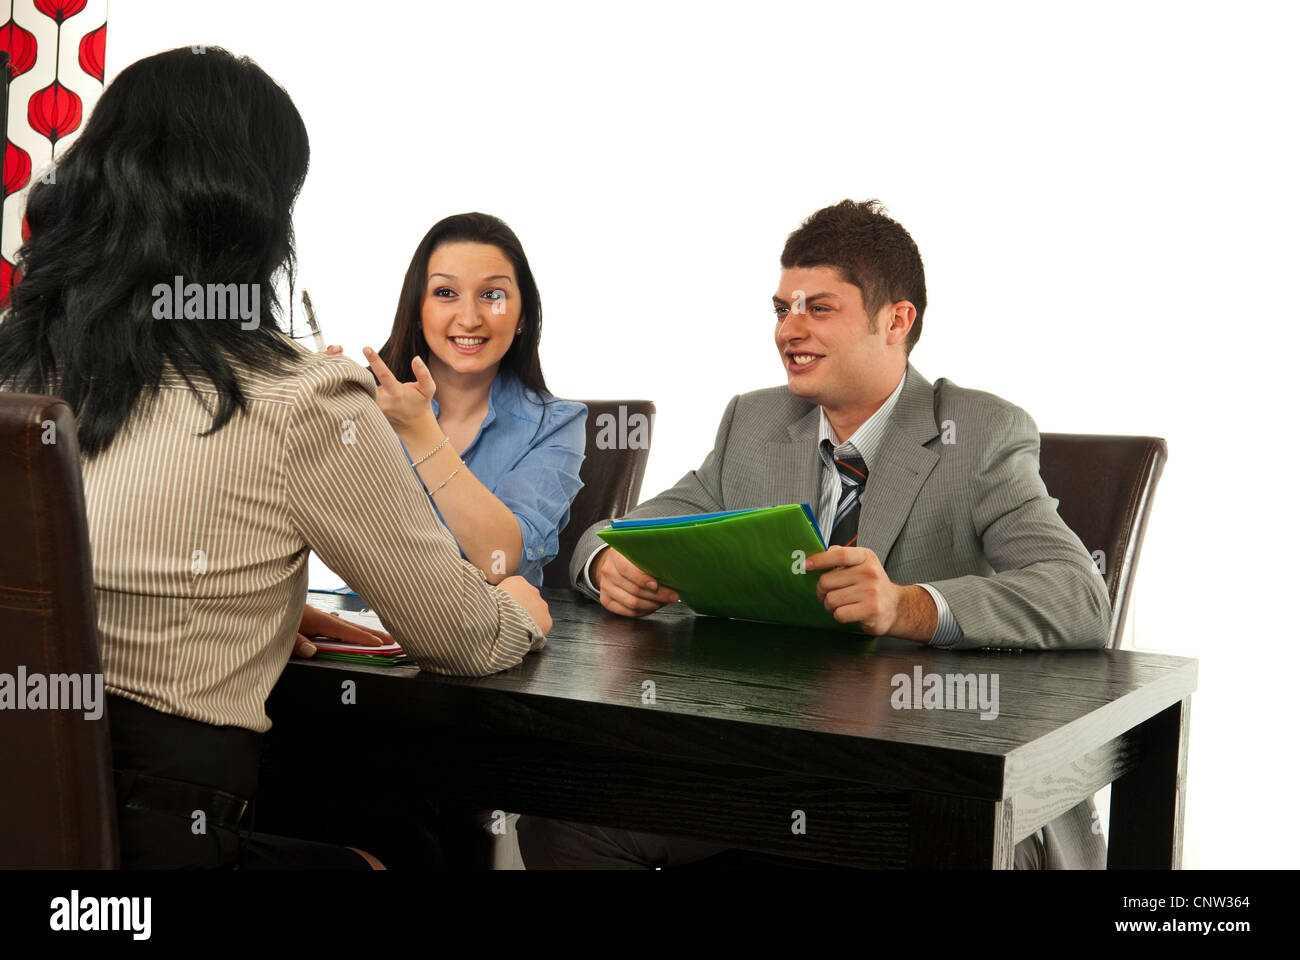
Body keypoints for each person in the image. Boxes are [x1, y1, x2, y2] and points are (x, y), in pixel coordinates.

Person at [0, 46, 551, 869]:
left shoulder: (16, 371)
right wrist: (518, 603)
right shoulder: (302, 398)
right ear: (254, 217)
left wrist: (241, 601)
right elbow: (464, 640)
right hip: (157, 830)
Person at [518, 199, 1111, 870]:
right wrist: (607, 565)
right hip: (775, 770)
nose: (788, 330)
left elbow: (1080, 596)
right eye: (781, 309)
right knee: (564, 820)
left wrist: (908, 605)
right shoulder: (756, 423)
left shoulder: (979, 434)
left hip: (927, 791)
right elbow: (620, 529)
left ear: (897, 320)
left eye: (818, 308)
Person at [351, 213, 586, 587]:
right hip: (362, 631)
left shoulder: (556, 424)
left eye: (492, 295)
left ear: (522, 315)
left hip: (488, 638)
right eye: (446, 293)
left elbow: (502, 562)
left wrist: (420, 433)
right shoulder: (363, 405)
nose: (470, 318)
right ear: (417, 309)